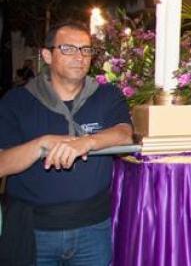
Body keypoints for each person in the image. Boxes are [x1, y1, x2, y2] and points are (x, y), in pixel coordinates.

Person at [0, 21, 134, 265]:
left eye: (85, 50)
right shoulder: (17, 101)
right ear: (47, 55)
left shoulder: (107, 95)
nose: (79, 57)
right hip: (33, 230)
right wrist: (42, 144)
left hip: (92, 229)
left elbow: (124, 133)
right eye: (68, 49)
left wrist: (86, 142)